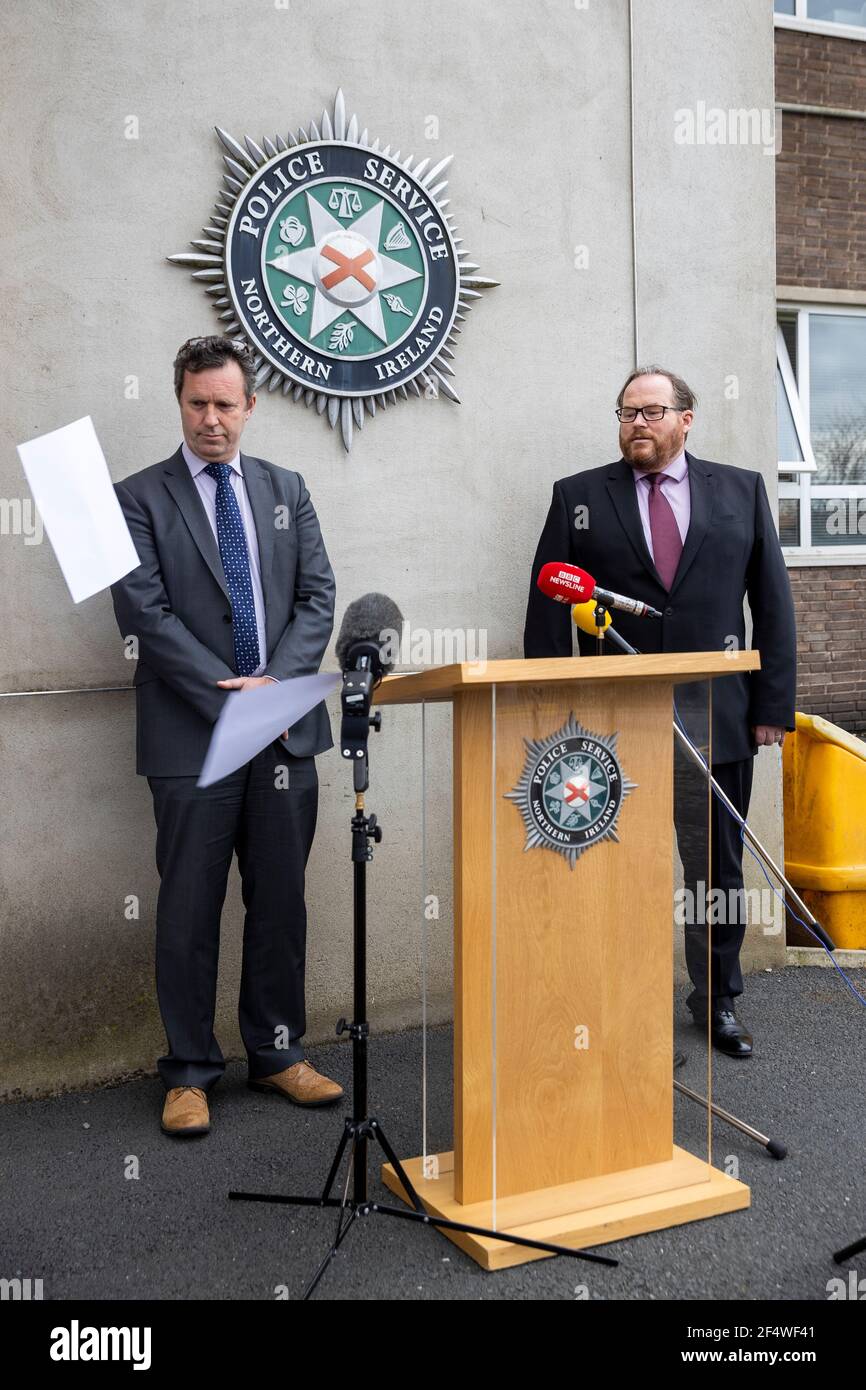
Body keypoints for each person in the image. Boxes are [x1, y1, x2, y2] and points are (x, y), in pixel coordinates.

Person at [523, 366, 797, 1057]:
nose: (636, 424)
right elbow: (548, 614)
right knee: (621, 869)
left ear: (686, 418)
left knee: (716, 870)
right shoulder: (579, 497)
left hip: (718, 712)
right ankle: (625, 1001)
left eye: (650, 412)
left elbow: (773, 602)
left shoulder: (739, 489)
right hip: (614, 720)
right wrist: (555, 715)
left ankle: (717, 999)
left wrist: (773, 707)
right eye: (625, 413)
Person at [111, 334, 342, 1136]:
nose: (212, 419)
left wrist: (272, 688)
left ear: (251, 405)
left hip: (282, 734)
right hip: (190, 738)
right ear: (178, 401)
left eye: (225, 404)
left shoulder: (288, 488)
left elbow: (318, 597)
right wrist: (227, 694)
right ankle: (188, 1072)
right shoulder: (137, 497)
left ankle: (278, 1054)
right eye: (197, 403)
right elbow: (145, 613)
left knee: (280, 900)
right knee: (187, 908)